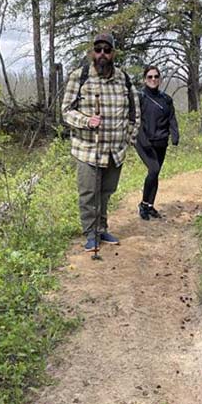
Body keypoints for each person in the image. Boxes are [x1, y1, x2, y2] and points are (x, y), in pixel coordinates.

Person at [61, 33, 138, 251]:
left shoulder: (123, 78)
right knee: (89, 192)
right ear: (92, 52)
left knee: (106, 192)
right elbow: (66, 111)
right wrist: (86, 121)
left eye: (106, 49)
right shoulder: (80, 76)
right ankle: (90, 233)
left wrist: (129, 137)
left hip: (115, 149)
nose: (102, 54)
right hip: (88, 148)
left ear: (113, 53)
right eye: (98, 49)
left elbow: (134, 111)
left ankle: (102, 228)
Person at [135, 64, 179, 220]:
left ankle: (150, 206)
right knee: (153, 170)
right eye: (150, 77)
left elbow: (171, 118)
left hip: (161, 141)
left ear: (160, 79)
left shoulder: (166, 99)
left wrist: (175, 134)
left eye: (156, 76)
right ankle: (143, 204)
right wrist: (143, 140)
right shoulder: (140, 97)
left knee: (155, 173)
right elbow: (135, 121)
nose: (153, 79)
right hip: (144, 142)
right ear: (144, 79)